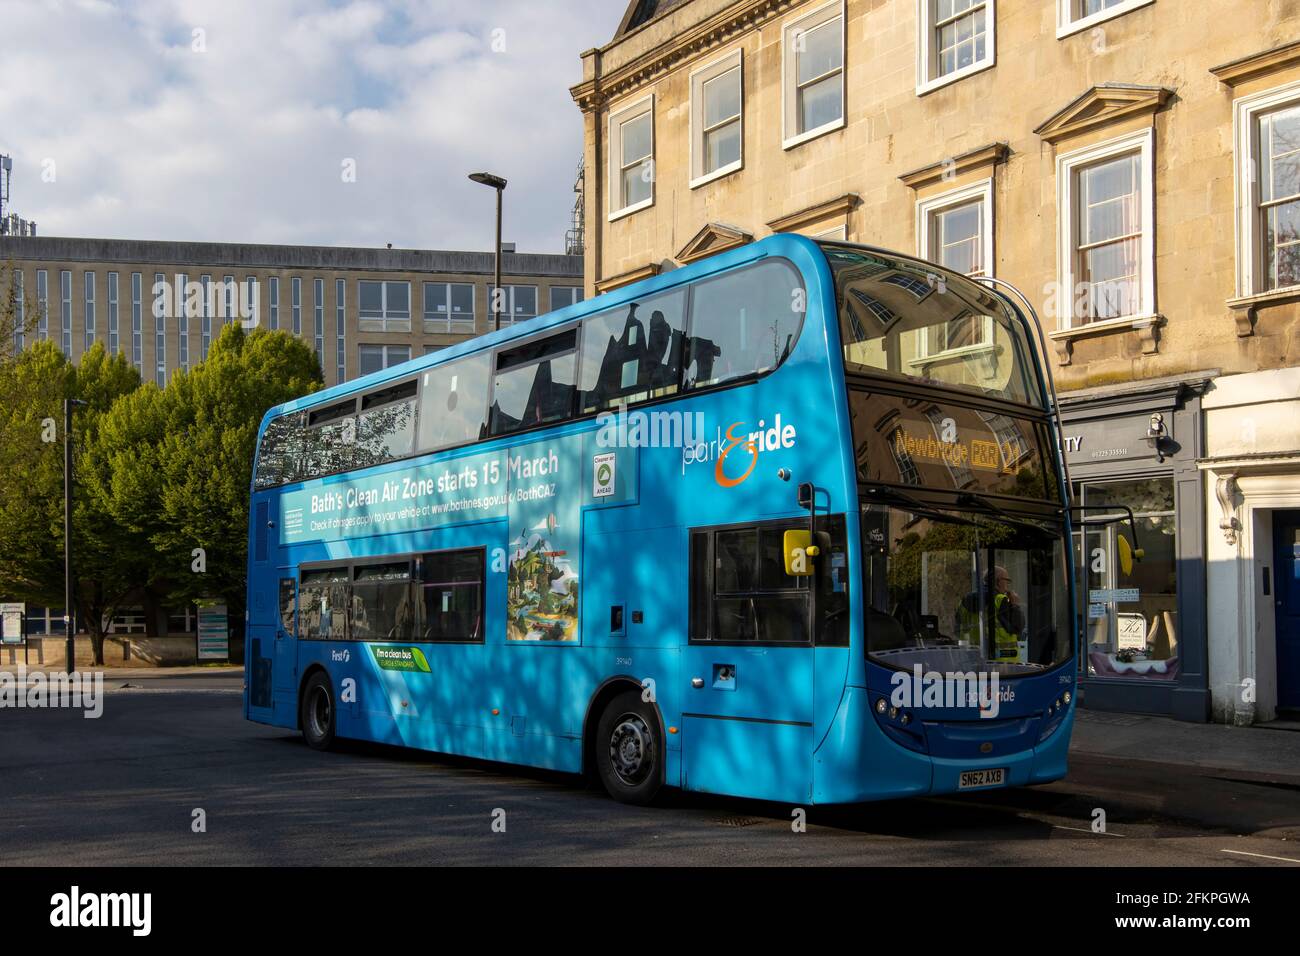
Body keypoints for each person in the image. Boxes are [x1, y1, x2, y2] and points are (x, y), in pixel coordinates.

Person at [956, 565, 1025, 662]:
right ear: (998, 581)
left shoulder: (965, 601)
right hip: (1003, 664)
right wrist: (1015, 605)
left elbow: (957, 630)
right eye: (1007, 580)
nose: (1008, 585)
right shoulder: (1000, 600)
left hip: (973, 661)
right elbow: (1018, 627)